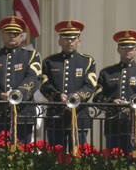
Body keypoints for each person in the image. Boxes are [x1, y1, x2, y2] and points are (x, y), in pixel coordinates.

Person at [0, 16, 40, 145]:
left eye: (16, 34)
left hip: (23, 114)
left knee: (23, 153)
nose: (12, 36)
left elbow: (33, 78)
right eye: (8, 33)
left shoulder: (31, 56)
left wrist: (18, 94)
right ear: (2, 35)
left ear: (22, 37)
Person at [40, 20, 98, 151]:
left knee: (77, 157)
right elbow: (43, 84)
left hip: (79, 116)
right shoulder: (49, 61)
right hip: (56, 115)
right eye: (66, 38)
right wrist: (57, 96)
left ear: (79, 41)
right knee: (56, 155)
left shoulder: (87, 61)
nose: (70, 42)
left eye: (73, 39)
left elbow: (90, 85)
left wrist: (77, 97)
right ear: (60, 41)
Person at [97, 30, 136, 153]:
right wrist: (112, 102)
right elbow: (97, 97)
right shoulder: (106, 73)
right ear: (118, 49)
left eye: (130, 48)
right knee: (113, 163)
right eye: (123, 48)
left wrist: (134, 107)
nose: (127, 51)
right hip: (113, 126)